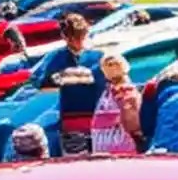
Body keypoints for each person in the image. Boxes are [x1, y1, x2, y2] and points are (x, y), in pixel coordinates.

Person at [31, 14, 105, 156]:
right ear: (65, 37)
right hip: (71, 120)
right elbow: (40, 82)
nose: (79, 41)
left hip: (97, 119)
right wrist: (55, 80)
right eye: (74, 37)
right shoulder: (56, 58)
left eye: (81, 36)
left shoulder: (97, 57)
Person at [90, 53, 142, 153]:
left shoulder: (127, 91)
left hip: (122, 152)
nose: (111, 67)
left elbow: (134, 125)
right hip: (104, 153)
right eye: (107, 65)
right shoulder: (107, 91)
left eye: (114, 63)